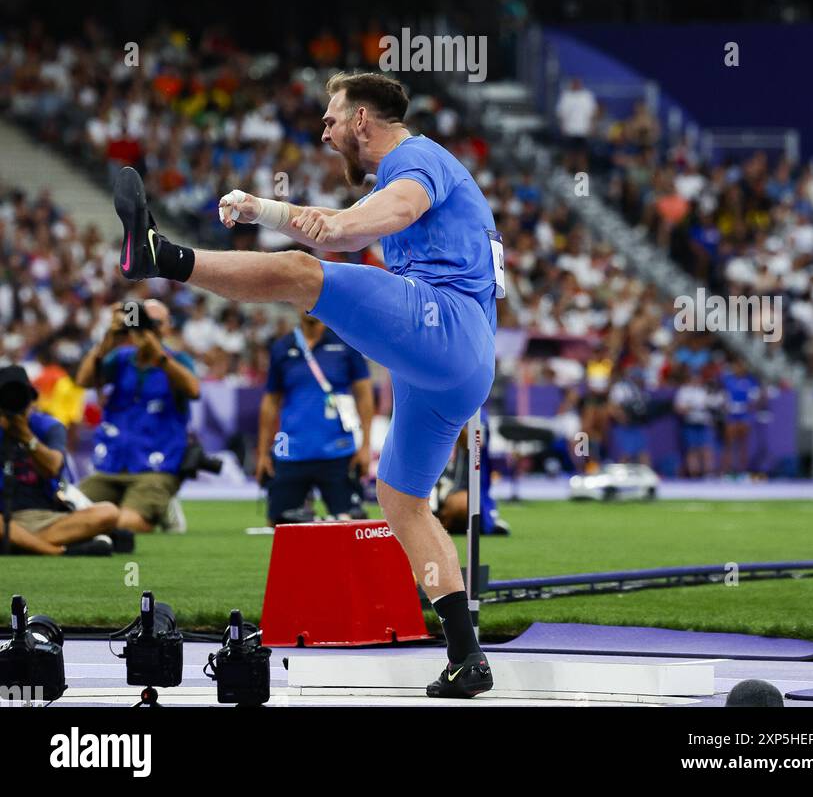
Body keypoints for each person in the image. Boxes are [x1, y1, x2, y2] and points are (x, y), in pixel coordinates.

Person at [114, 71, 501, 698]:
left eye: (331, 116)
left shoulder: (415, 159)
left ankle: (160, 256)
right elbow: (347, 230)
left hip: (448, 325)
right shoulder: (406, 171)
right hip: (452, 364)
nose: (322, 128)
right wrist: (260, 211)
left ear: (362, 121)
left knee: (302, 275)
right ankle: (468, 657)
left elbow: (344, 233)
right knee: (402, 499)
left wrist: (264, 208)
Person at [76, 298, 200, 534]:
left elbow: (194, 390)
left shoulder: (178, 361)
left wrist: (158, 354)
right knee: (69, 514)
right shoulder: (121, 359)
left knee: (125, 524)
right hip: (113, 466)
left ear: (168, 327)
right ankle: (143, 505)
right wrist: (108, 339)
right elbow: (83, 380)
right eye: (144, 322)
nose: (149, 328)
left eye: (155, 323)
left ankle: (160, 505)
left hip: (155, 467)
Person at [256, 312, 373, 524]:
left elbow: (364, 394)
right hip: (291, 451)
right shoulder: (282, 347)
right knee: (280, 523)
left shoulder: (346, 343)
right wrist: (263, 453)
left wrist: (366, 446)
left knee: (351, 520)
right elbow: (270, 402)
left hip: (338, 451)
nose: (308, 306)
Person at [0, 365, 119, 557]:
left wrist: (27, 437)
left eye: (19, 398)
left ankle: (18, 544)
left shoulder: (48, 426)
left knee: (109, 512)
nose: (14, 405)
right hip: (3, 516)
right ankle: (57, 550)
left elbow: (53, 468)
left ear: (31, 400)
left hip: (47, 517)